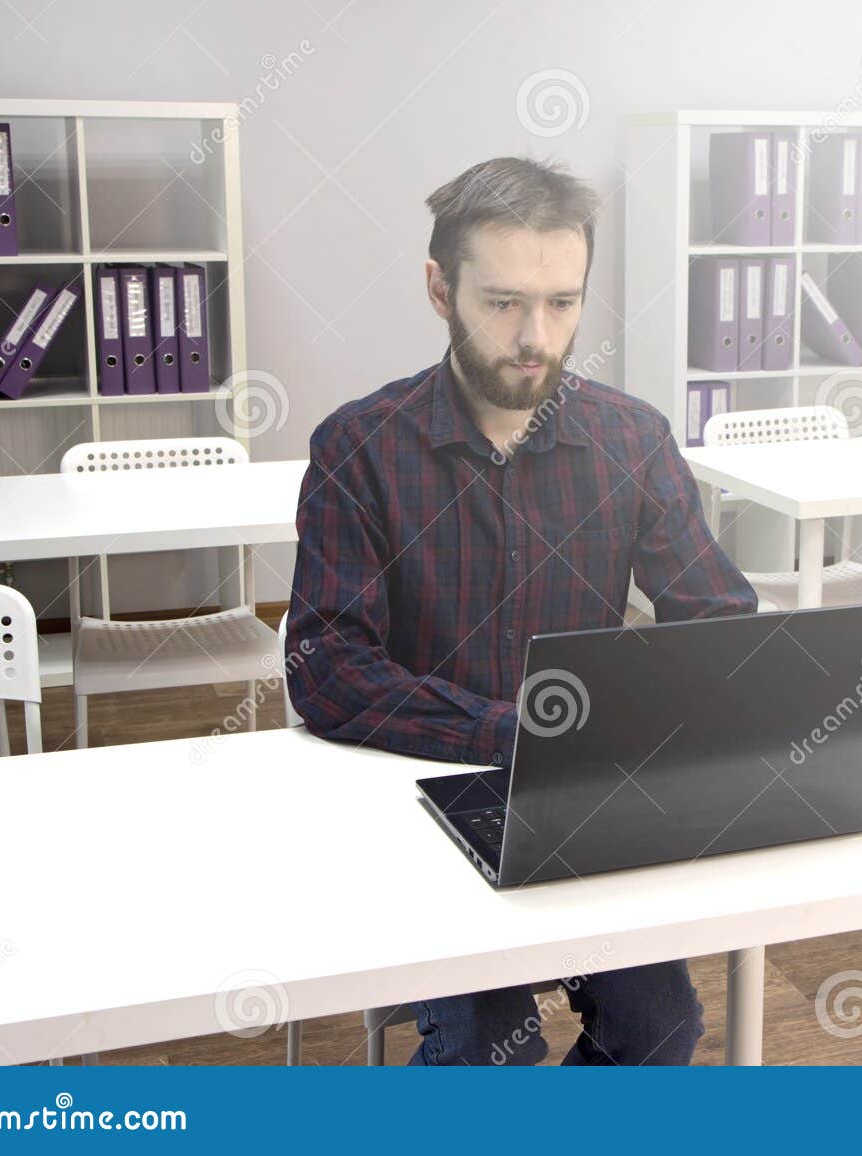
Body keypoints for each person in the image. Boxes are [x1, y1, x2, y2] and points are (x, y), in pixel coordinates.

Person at [286, 156, 758, 1065]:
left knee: (661, 1030)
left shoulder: (632, 439)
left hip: (588, 798)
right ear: (440, 289)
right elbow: (327, 669)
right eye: (503, 303)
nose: (536, 337)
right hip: (421, 801)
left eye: (562, 303)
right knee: (490, 1047)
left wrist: (676, 718)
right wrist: (515, 733)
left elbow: (719, 620)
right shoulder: (359, 446)